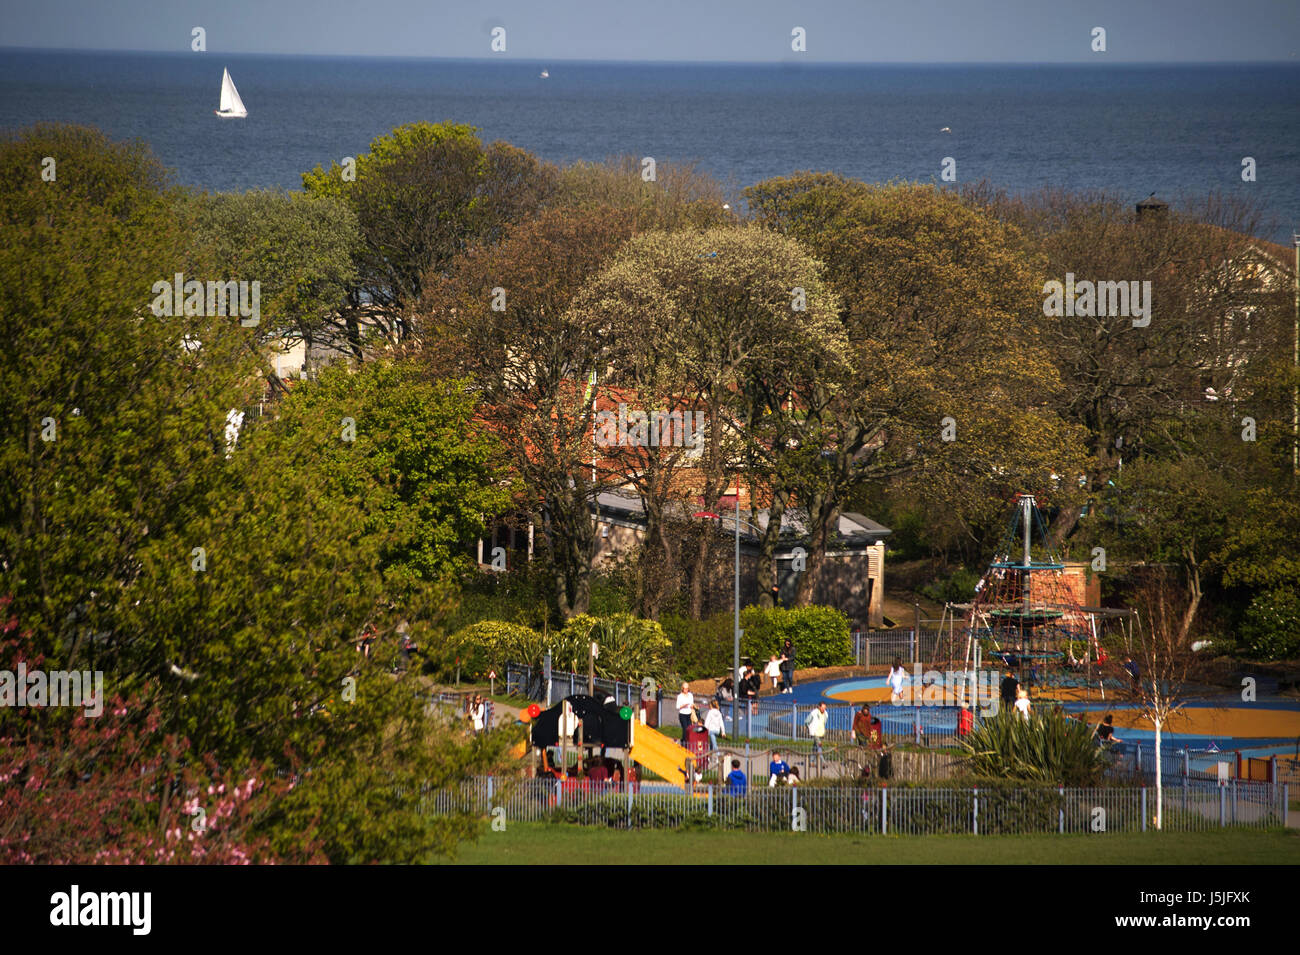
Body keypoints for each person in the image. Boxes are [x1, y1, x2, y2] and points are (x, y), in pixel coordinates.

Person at [675, 682, 696, 747]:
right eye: (684, 689)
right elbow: (677, 706)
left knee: (689, 729)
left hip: (689, 714)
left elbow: (692, 703)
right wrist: (684, 705)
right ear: (682, 688)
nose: (686, 690)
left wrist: (692, 706)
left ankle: (687, 743)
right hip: (682, 714)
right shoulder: (680, 696)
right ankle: (684, 743)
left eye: (687, 689)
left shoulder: (690, 695)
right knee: (685, 729)